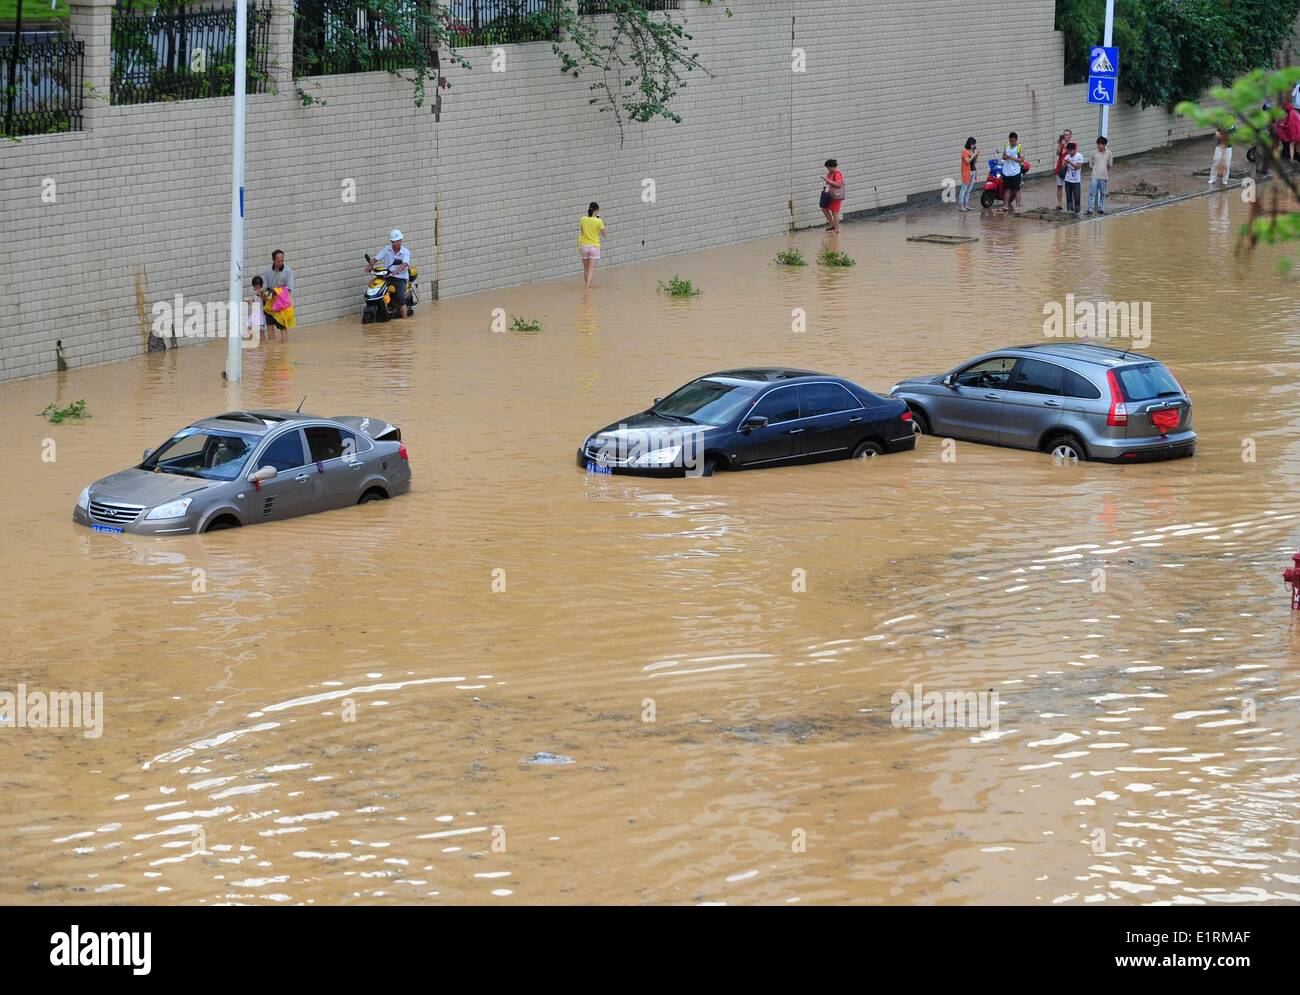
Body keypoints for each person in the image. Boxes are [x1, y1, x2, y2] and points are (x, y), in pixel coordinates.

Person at [369, 229, 412, 319]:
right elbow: (376, 258)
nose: (398, 242)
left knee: (401, 298)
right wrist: (369, 265)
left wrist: (397, 271)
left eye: (400, 240)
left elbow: (405, 264)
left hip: (400, 278)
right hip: (388, 277)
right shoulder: (386, 250)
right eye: (396, 241)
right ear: (392, 241)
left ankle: (405, 321)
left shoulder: (405, 252)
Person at [262, 250, 295, 334]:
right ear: (273, 260)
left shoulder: (288, 271)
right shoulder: (267, 271)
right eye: (278, 261)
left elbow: (289, 288)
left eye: (282, 260)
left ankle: (284, 346)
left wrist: (277, 291)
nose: (281, 262)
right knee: (270, 327)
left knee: (283, 328)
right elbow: (265, 287)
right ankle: (272, 346)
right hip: (269, 303)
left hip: (282, 304)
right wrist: (264, 292)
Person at [578, 203, 606, 287]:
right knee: (591, 270)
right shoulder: (598, 221)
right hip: (594, 246)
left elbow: (582, 232)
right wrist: (598, 221)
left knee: (586, 269)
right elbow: (604, 233)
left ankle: (586, 286)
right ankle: (587, 289)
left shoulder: (583, 219)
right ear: (596, 211)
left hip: (584, 246)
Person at [1085, 136, 1113, 216]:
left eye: (1100, 144)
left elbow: (1109, 165)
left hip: (1104, 177)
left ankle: (1101, 209)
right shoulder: (1093, 153)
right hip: (1094, 176)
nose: (1099, 146)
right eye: (1098, 144)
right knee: (1092, 193)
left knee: (1102, 193)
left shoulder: (1109, 153)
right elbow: (1091, 164)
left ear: (1104, 145)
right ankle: (1090, 209)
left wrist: (1104, 172)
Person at [1000, 133, 1024, 214]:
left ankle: (1017, 206)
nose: (1011, 142)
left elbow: (1022, 159)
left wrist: (1013, 158)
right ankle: (1006, 205)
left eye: (1013, 141)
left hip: (1015, 172)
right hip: (1006, 172)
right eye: (1010, 141)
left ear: (1016, 140)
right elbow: (1003, 156)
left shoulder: (1019, 147)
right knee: (1007, 189)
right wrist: (1005, 157)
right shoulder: (1006, 146)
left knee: (1016, 190)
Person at [821, 159, 845, 231]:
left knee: (835, 212)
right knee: (824, 208)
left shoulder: (837, 173)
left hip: (836, 196)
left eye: (828, 167)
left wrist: (828, 180)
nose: (827, 169)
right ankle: (832, 224)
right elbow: (829, 183)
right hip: (830, 195)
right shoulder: (830, 173)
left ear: (831, 167)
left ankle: (836, 230)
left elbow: (838, 184)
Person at [1062, 141, 1084, 215]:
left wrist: (1070, 162)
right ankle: (1069, 211)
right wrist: (1065, 163)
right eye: (1069, 151)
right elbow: (1062, 167)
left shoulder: (1079, 156)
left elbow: (1078, 167)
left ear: (1075, 150)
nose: (1070, 152)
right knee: (1068, 197)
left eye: (1071, 150)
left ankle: (1077, 211)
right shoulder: (1067, 156)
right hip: (1067, 180)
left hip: (1076, 181)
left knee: (1077, 196)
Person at [1054, 129, 1073, 210]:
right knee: (1059, 186)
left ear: (1070, 136)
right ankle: (1059, 203)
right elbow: (1057, 153)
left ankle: (1070, 204)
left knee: (1069, 188)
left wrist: (1066, 146)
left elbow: (1072, 154)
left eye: (1067, 135)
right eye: (1064, 135)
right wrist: (1059, 144)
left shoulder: (1072, 145)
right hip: (1060, 168)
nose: (1065, 136)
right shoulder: (1061, 144)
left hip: (1068, 169)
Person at [246, 275, 268, 343]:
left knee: (261, 333)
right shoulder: (255, 292)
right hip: (254, 315)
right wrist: (249, 301)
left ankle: (263, 348)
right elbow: (255, 301)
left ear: (260, 285)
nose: (255, 287)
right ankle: (251, 344)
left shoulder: (263, 292)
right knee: (248, 328)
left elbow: (265, 300)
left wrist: (261, 294)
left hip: (260, 316)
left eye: (256, 286)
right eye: (254, 286)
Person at [958, 138, 978, 212]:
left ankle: (966, 204)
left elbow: (975, 162)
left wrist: (976, 155)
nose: (974, 146)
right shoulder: (965, 151)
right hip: (967, 173)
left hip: (973, 171)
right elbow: (967, 161)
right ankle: (961, 205)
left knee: (969, 189)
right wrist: (974, 154)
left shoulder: (972, 151)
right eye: (973, 144)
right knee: (964, 189)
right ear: (969, 143)